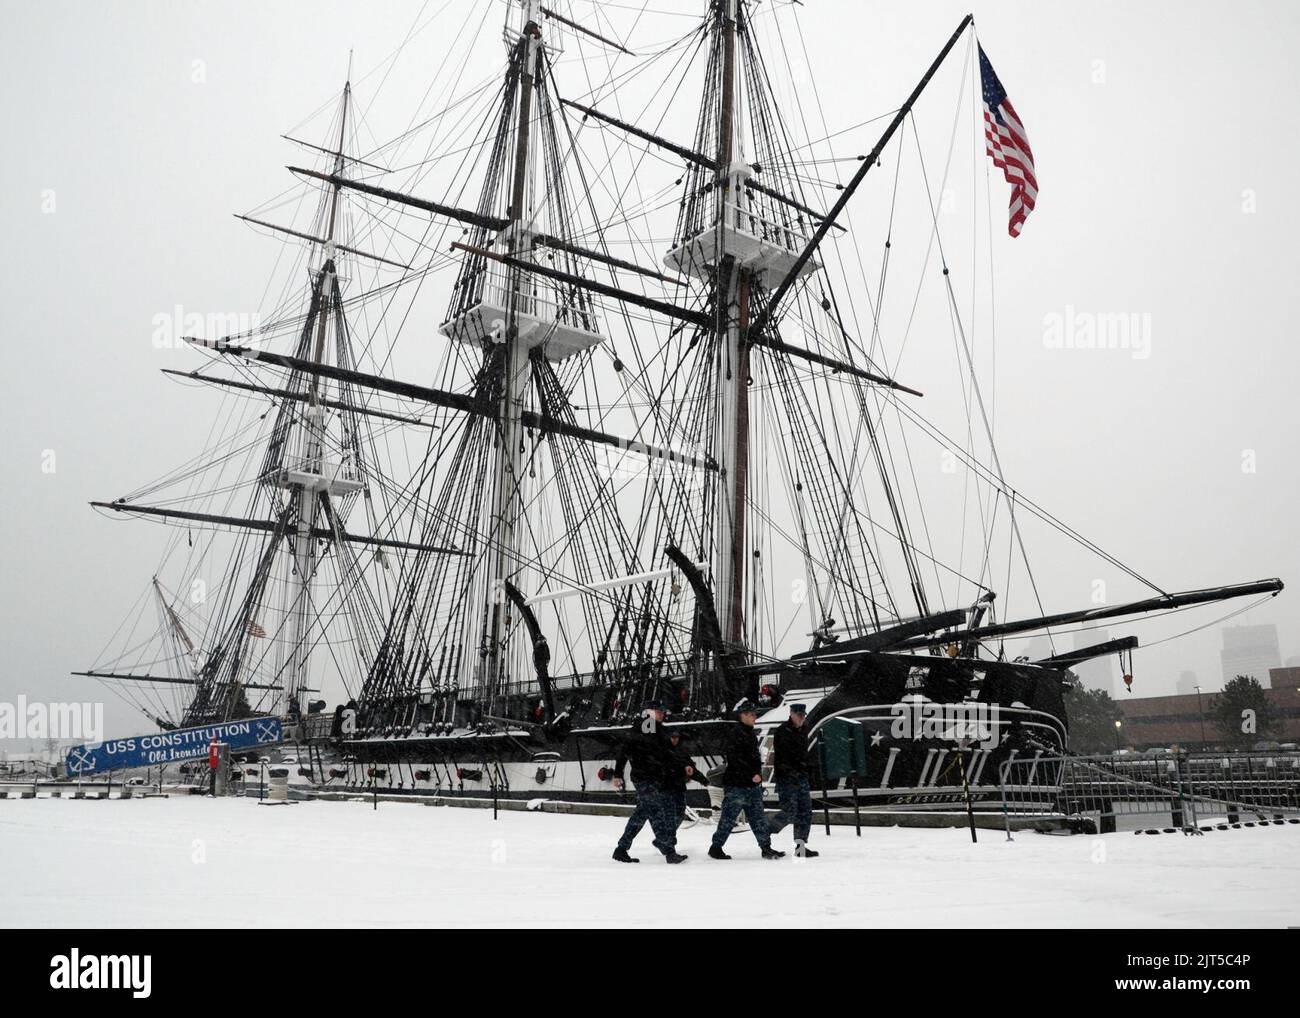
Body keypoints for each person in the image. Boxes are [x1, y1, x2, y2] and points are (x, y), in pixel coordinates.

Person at [611, 697, 687, 864]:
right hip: (644, 778)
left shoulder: (656, 729)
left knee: (642, 814)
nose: (662, 714)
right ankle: (669, 852)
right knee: (656, 813)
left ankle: (621, 849)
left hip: (653, 778)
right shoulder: (647, 726)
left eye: (662, 712)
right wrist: (617, 774)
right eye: (659, 712)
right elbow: (627, 750)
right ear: (649, 713)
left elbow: (664, 754)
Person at [709, 699, 785, 860]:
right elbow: (736, 759)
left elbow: (750, 758)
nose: (754, 717)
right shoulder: (737, 733)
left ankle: (766, 848)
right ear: (743, 715)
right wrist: (752, 774)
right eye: (751, 715)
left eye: (754, 715)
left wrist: (755, 778)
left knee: (758, 818)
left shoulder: (748, 732)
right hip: (737, 785)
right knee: (729, 818)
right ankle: (716, 848)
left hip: (750, 785)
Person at [768, 703, 818, 857]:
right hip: (787, 778)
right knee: (790, 811)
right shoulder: (783, 731)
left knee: (805, 812)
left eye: (803, 715)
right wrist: (791, 772)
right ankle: (766, 830)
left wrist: (807, 769)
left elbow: (802, 754)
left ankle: (800, 847)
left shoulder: (803, 729)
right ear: (791, 714)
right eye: (799, 715)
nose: (802, 718)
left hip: (801, 776)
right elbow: (783, 757)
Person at [662, 729, 710, 836]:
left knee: (678, 813)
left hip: (678, 786)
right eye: (673, 738)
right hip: (667, 787)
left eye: (676, 738)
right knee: (670, 814)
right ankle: (667, 838)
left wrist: (704, 781)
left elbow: (691, 770)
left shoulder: (681, 751)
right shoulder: (663, 751)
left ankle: (666, 837)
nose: (675, 740)